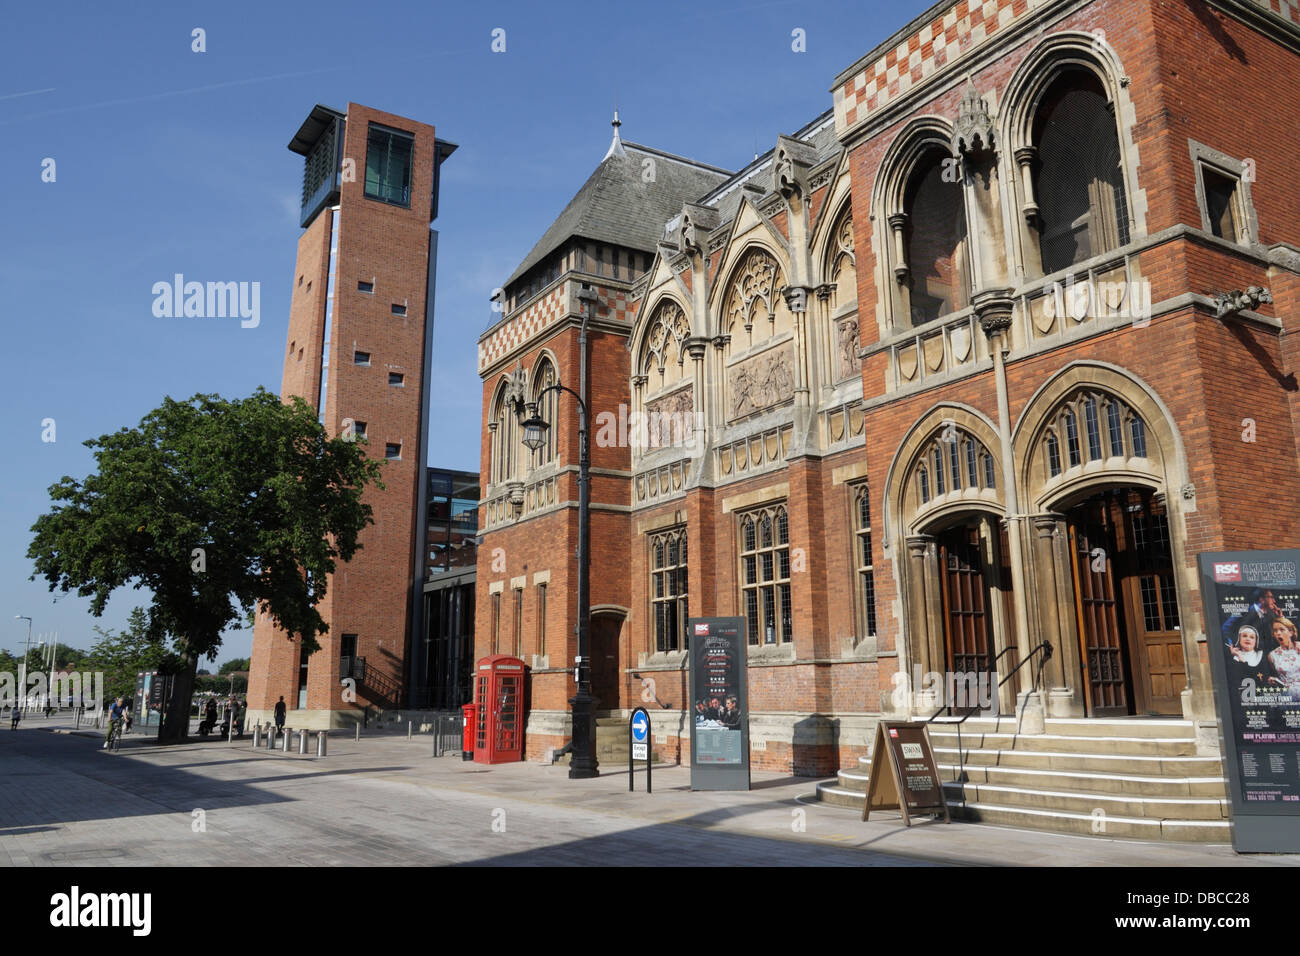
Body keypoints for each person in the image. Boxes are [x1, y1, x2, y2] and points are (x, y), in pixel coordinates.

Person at [1227, 626, 1281, 699]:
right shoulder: (1234, 658)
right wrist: (1239, 657)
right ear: (1239, 639)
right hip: (1243, 700)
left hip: (1263, 697)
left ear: (1256, 641)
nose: (1248, 639)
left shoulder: (1262, 655)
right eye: (1244, 636)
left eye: (1252, 637)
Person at [1268, 618, 1300, 698]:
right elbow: (1275, 676)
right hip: (1288, 696)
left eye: (1282, 629)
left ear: (1291, 632)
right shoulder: (1272, 655)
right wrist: (1273, 681)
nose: (1278, 633)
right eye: (1275, 630)